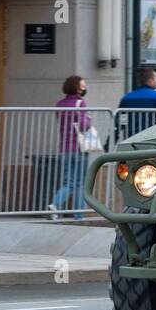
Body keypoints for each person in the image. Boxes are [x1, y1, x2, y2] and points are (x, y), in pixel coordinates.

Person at [49, 75, 93, 218]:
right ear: (77, 87)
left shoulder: (60, 103)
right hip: (79, 148)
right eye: (83, 84)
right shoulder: (80, 103)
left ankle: (54, 205)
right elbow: (83, 125)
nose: (84, 86)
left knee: (68, 182)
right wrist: (88, 120)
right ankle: (79, 215)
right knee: (80, 183)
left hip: (64, 148)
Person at [118, 67, 156, 139]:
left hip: (131, 139)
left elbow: (119, 122)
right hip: (151, 140)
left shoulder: (126, 98)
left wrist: (108, 144)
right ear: (151, 80)